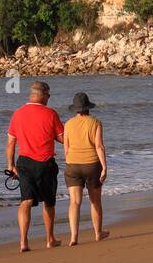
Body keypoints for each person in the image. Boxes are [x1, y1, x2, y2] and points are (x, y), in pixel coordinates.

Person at [6, 81, 64, 252]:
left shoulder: (17, 114)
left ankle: (23, 241)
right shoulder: (50, 113)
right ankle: (50, 239)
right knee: (48, 201)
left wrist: (10, 165)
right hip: (45, 162)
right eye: (48, 95)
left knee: (26, 201)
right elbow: (62, 138)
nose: (49, 98)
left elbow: (11, 143)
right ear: (42, 95)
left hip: (24, 162)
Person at [62, 91, 108, 245]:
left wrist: (70, 162)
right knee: (95, 201)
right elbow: (99, 146)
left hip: (72, 166)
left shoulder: (67, 124)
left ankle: (74, 237)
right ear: (88, 107)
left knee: (74, 202)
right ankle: (98, 233)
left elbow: (66, 148)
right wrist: (104, 167)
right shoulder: (95, 122)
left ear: (75, 109)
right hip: (92, 165)